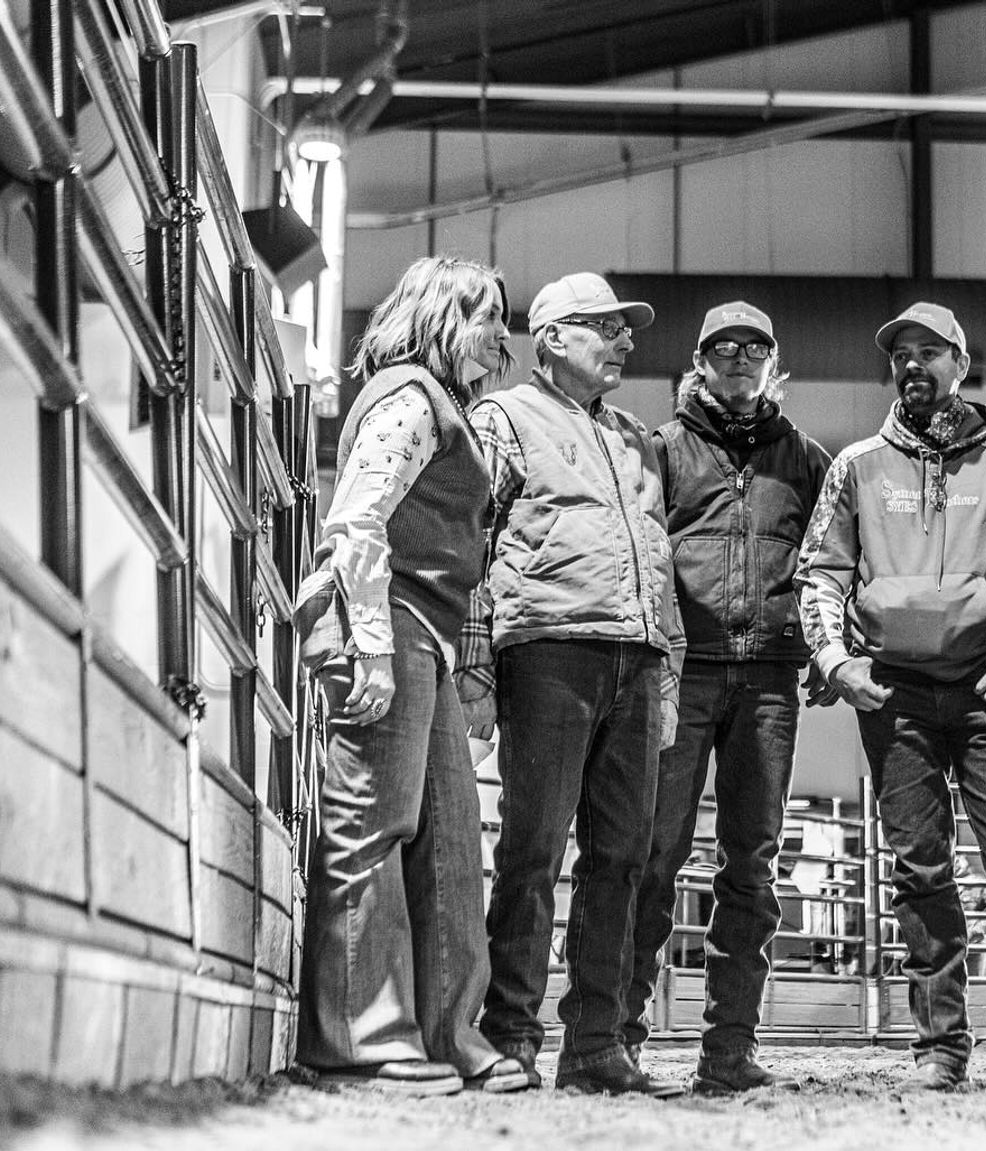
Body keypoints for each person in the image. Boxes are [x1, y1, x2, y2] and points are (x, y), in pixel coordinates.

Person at [796, 302, 986, 1093]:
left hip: (985, 688)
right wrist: (835, 661)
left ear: (960, 364)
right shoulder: (856, 466)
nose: (912, 363)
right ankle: (941, 1046)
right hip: (892, 693)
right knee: (919, 871)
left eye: (929, 351)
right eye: (900, 352)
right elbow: (822, 573)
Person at [295, 255, 526, 1096]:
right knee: (372, 824)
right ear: (441, 316)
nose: (502, 335)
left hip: (420, 624)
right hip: (385, 617)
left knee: (451, 839)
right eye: (487, 317)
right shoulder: (409, 397)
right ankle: (356, 1038)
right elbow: (355, 520)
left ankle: (446, 1031)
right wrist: (374, 647)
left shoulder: (443, 408)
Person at [455, 272, 686, 1098]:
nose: (625, 340)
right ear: (551, 336)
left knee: (623, 857)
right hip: (549, 649)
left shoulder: (634, 437)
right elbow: (472, 545)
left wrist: (667, 676)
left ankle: (596, 1042)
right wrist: (476, 664)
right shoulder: (503, 419)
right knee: (533, 850)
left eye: (627, 329)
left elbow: (657, 562)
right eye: (606, 327)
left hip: (636, 655)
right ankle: (509, 1032)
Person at [621, 302, 831, 1094]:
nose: (739, 357)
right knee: (653, 852)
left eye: (755, 347)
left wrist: (822, 646)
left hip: (771, 676)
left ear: (771, 362)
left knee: (754, 862)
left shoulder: (805, 460)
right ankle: (621, 1037)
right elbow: (641, 550)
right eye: (723, 346)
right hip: (685, 671)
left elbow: (827, 565)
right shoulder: (661, 450)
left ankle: (727, 1049)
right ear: (700, 359)